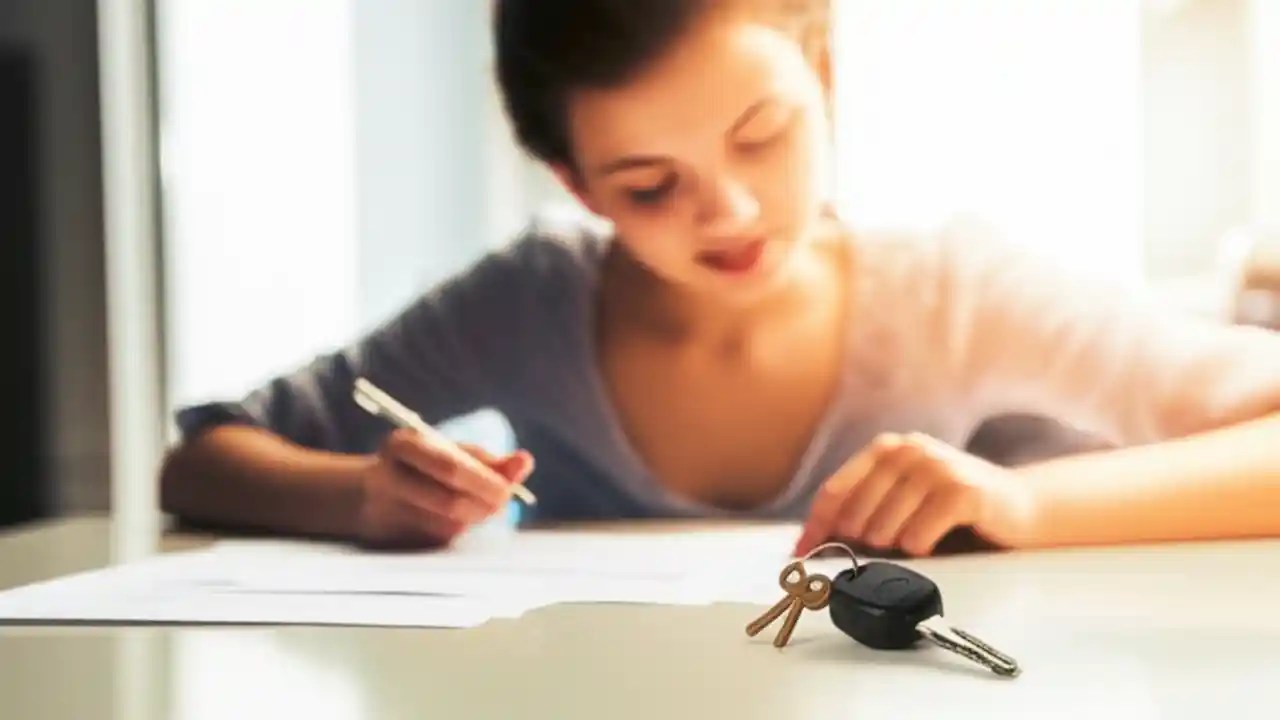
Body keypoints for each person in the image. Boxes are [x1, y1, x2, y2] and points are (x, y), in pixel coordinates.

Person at [160, 0, 1280, 556]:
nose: (729, 213)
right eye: (649, 185)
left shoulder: (952, 292)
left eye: (763, 135)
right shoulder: (529, 303)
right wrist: (358, 496)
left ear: (825, 70)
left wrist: (1023, 502)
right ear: (577, 184)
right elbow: (203, 462)